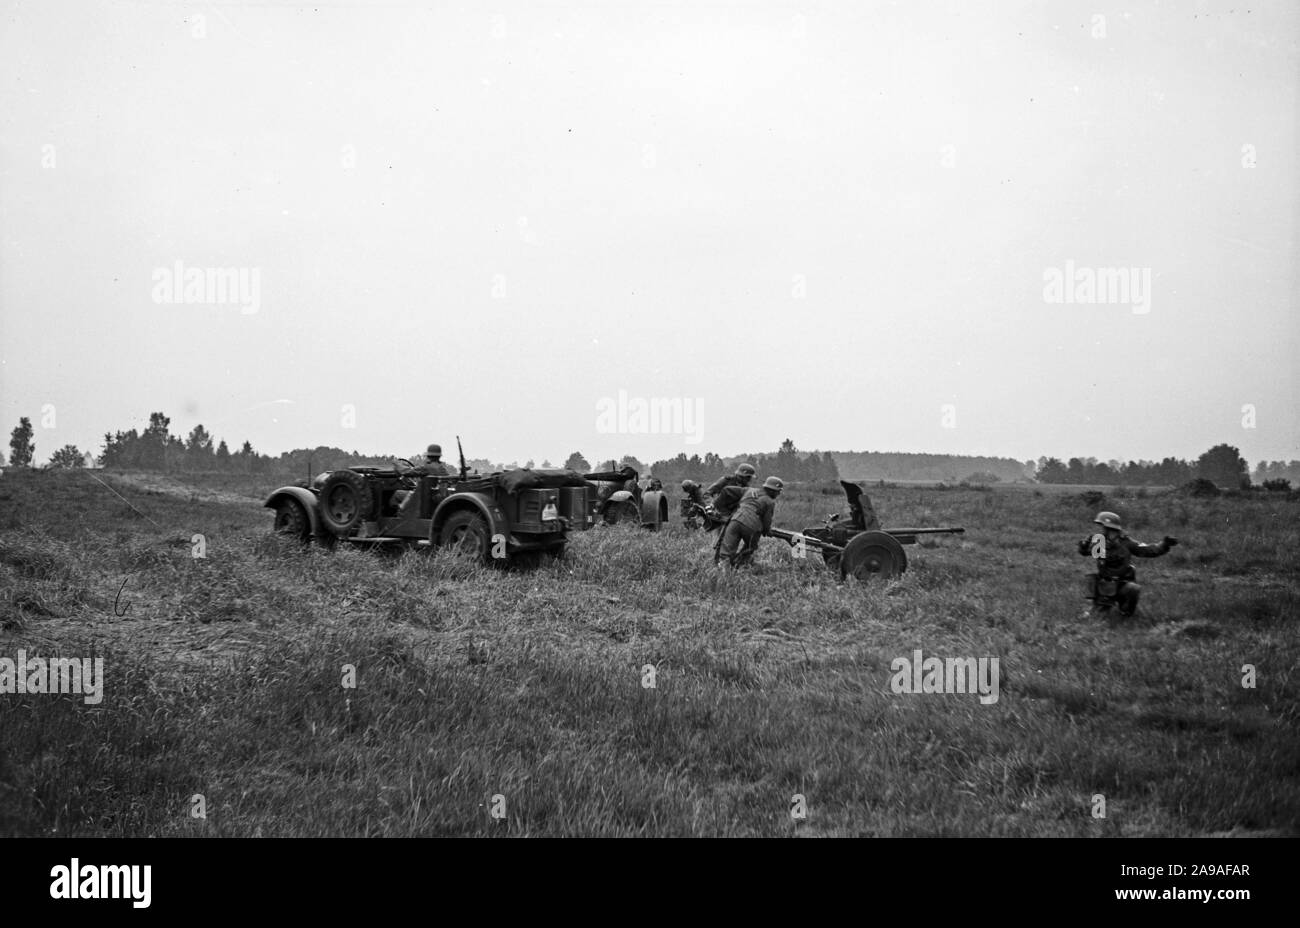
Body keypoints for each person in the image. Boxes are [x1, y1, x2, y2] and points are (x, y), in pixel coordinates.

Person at [1078, 510, 1178, 617]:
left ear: (1110, 528)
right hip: (1105, 586)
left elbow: (1148, 550)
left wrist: (1164, 544)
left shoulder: (1126, 543)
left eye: (1104, 527)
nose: (1102, 530)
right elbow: (1086, 552)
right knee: (1097, 617)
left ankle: (1125, 613)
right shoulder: (1100, 542)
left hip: (1122, 584)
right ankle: (1096, 608)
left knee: (1133, 589)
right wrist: (1083, 546)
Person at [716, 476, 783, 568]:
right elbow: (767, 521)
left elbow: (727, 489)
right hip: (751, 526)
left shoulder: (749, 490)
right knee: (750, 547)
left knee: (727, 549)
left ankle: (724, 568)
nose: (779, 493)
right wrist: (767, 531)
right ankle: (740, 563)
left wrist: (716, 504)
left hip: (735, 521)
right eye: (778, 491)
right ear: (772, 490)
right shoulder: (770, 502)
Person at [394, 444, 453, 515]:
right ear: (439, 456)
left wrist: (396, 463)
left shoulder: (426, 467)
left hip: (423, 498)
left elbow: (405, 471)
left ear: (428, 456)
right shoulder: (443, 469)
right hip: (434, 497)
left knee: (397, 494)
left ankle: (399, 515)